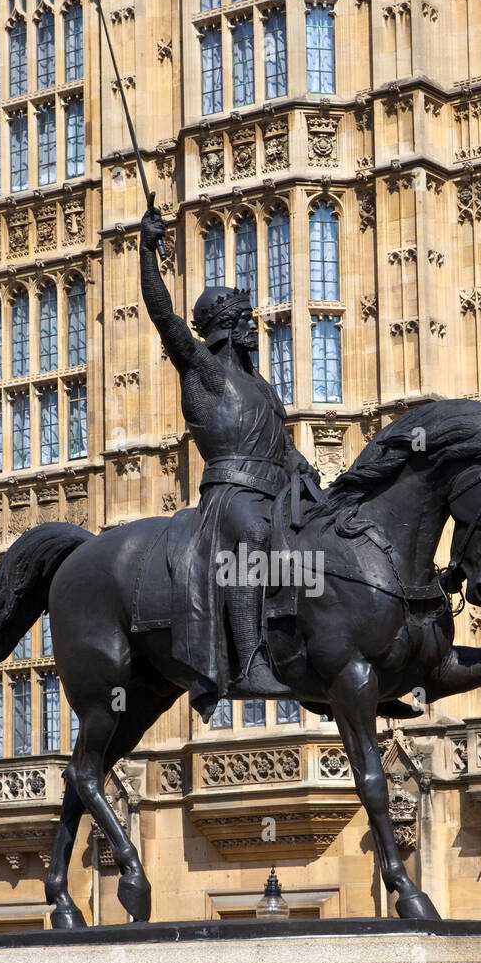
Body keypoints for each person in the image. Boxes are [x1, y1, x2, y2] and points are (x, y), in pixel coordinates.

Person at [140, 198, 321, 717]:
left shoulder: (260, 387)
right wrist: (148, 249)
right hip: (233, 495)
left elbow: (284, 449)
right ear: (224, 325)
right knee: (254, 539)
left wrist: (311, 480)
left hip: (276, 489)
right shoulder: (204, 370)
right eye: (242, 319)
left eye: (249, 318)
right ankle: (249, 664)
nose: (251, 327)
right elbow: (162, 315)